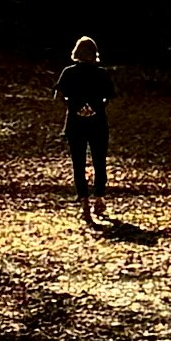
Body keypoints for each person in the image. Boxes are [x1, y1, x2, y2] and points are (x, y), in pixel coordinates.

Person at [59, 31, 113, 216]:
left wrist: (74, 108)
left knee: (78, 163)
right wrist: (97, 108)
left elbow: (59, 95)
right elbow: (110, 96)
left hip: (75, 123)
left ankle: (84, 201)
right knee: (99, 161)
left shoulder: (68, 72)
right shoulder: (101, 74)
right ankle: (100, 197)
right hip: (98, 122)